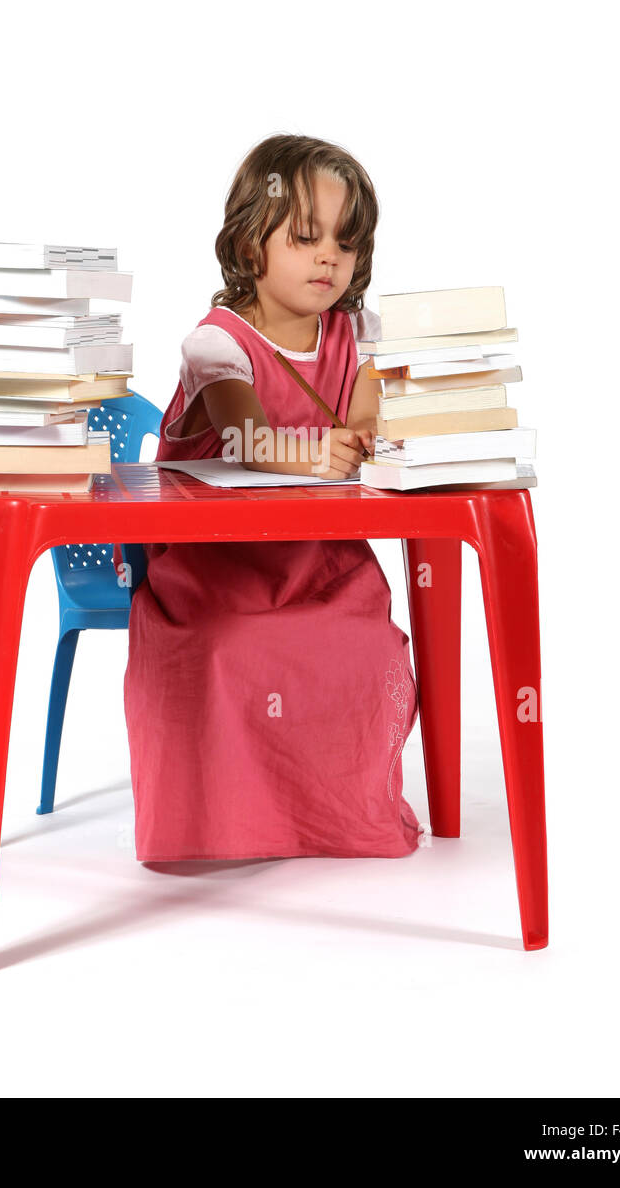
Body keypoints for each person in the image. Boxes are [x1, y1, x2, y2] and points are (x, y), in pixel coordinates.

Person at [123, 134, 421, 861]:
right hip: (215, 566)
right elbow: (245, 437)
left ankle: (335, 820)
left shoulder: (361, 336)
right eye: (306, 237)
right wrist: (313, 451)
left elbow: (365, 421)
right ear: (251, 240)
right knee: (233, 649)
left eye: (347, 244)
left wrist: (361, 434)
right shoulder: (215, 344)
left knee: (363, 644)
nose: (330, 258)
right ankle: (226, 825)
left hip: (319, 559)